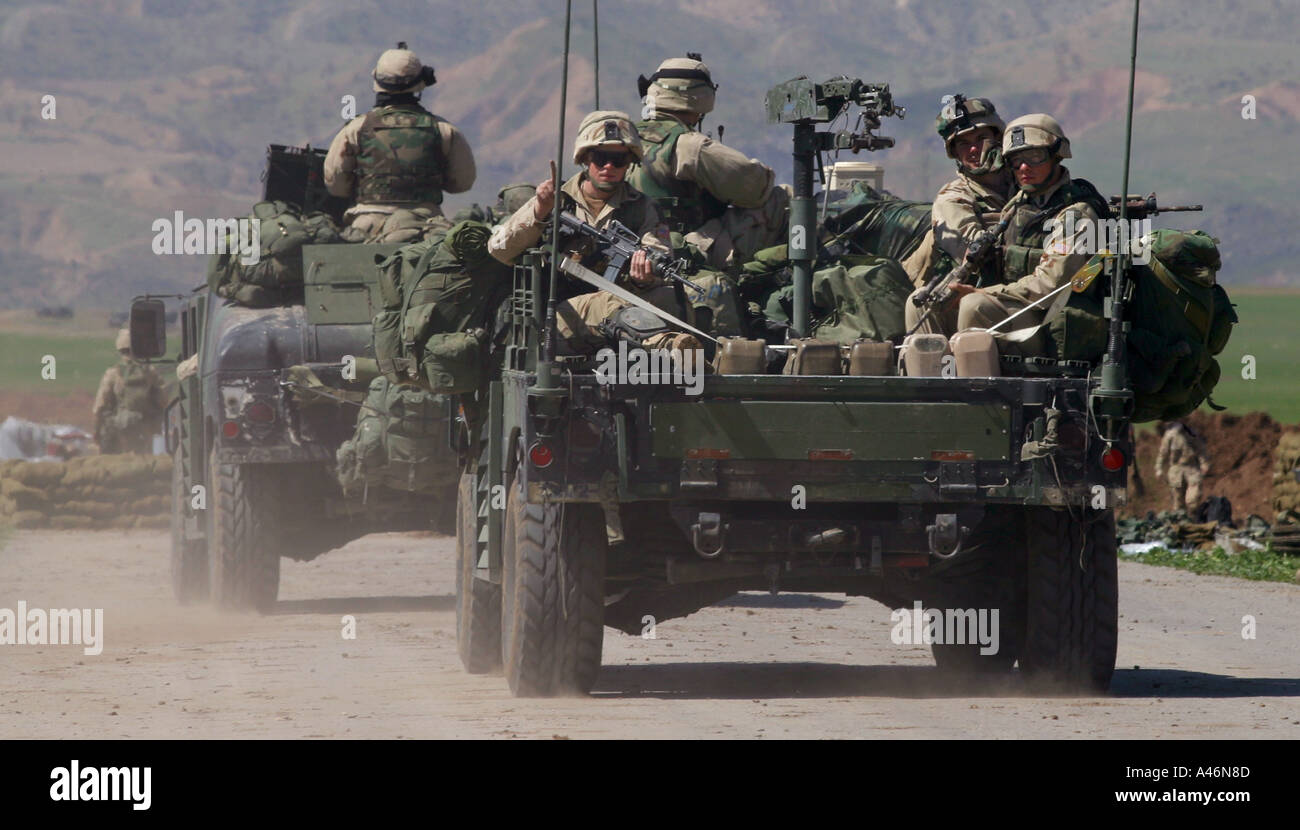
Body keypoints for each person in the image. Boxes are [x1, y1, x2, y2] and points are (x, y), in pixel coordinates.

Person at [488, 110, 700, 354]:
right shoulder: (558, 200)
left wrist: (645, 278)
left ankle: (673, 352)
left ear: (629, 163)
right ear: (585, 159)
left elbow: (658, 254)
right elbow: (499, 250)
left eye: (618, 160)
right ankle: (664, 346)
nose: (609, 166)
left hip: (622, 308)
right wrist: (539, 212)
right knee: (611, 303)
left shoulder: (643, 208)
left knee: (671, 299)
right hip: (555, 316)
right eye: (601, 158)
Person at [950, 113, 1110, 344]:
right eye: (1016, 160)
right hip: (1021, 306)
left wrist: (984, 293)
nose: (1024, 167)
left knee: (975, 306)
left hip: (1054, 321)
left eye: (1035, 156)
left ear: (1056, 156)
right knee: (931, 305)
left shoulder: (1076, 215)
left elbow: (1049, 287)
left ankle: (974, 379)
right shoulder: (1018, 205)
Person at [629, 56, 787, 272]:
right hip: (686, 252)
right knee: (782, 198)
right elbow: (756, 187)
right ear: (700, 97)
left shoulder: (627, 136)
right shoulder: (689, 146)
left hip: (636, 249)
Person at [324, 42, 476, 242]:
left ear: (377, 81)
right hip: (425, 231)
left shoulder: (355, 129)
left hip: (366, 232)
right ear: (421, 83)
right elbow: (462, 183)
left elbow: (336, 185)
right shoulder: (444, 130)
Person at [903, 95, 1014, 335]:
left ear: (999, 138)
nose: (973, 149)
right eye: (963, 144)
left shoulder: (1025, 183)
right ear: (954, 153)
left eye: (981, 138)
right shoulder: (953, 199)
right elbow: (978, 257)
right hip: (955, 303)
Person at [92, 329, 167, 454]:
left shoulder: (113, 373)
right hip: (144, 429)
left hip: (119, 429)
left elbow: (99, 407)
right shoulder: (150, 372)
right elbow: (164, 400)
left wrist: (96, 432)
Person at [1155, 420, 1210, 514]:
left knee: (1193, 499)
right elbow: (1163, 453)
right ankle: (1181, 521)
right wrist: (1158, 468)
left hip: (1192, 468)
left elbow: (1201, 449)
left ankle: (1193, 516)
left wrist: (1204, 464)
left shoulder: (1192, 434)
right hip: (1176, 469)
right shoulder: (1170, 435)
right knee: (1178, 502)